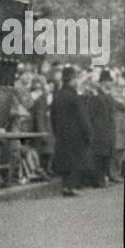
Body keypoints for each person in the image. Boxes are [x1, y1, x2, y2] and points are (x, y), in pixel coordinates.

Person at [49, 65, 92, 197]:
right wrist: (88, 133)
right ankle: (70, 187)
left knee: (65, 161)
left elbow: (53, 118)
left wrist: (56, 132)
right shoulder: (75, 97)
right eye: (75, 79)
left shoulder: (57, 96)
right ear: (72, 80)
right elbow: (82, 118)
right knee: (75, 161)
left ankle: (65, 187)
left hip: (61, 134)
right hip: (76, 135)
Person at [84, 69, 116, 187]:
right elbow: (91, 114)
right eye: (108, 81)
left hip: (108, 130)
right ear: (103, 82)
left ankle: (103, 178)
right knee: (98, 155)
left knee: (107, 155)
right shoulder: (96, 95)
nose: (110, 83)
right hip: (99, 130)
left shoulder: (108, 95)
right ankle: (98, 180)